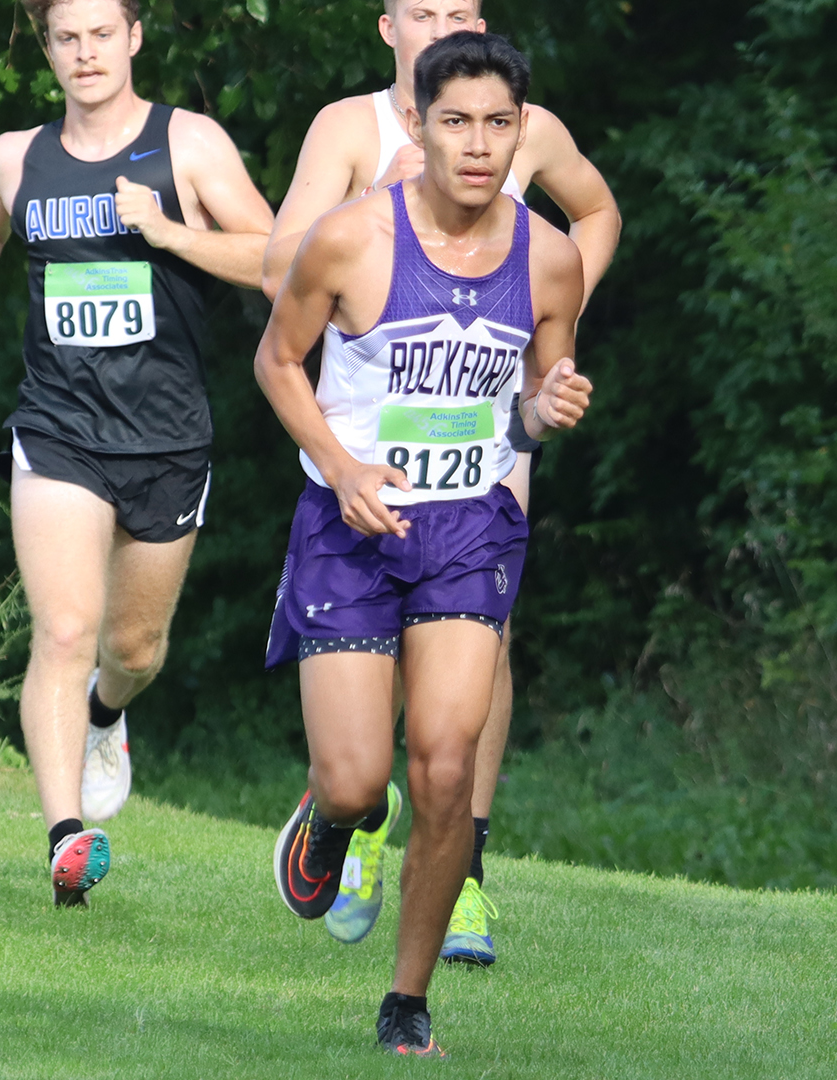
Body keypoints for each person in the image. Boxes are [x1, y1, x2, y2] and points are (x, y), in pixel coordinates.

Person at [261, 0, 620, 965]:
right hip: (352, 523)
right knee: (356, 779)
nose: (478, 144)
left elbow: (531, 403)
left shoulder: (549, 260)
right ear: (416, 127)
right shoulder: (349, 239)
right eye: (455, 122)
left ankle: (407, 999)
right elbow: (275, 363)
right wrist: (339, 469)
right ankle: (333, 819)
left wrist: (547, 412)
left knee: (449, 768)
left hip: (469, 524)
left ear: (520, 133)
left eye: (498, 124)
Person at [0, 0, 273, 906]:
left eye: (100, 35)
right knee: (67, 629)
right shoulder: (16, 157)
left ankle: (106, 718)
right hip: (58, 427)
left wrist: (168, 233)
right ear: (47, 49)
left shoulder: (188, 144)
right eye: (65, 38)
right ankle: (64, 838)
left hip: (167, 438)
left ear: (134, 38)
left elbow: (282, 255)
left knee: (133, 645)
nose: (84, 54)